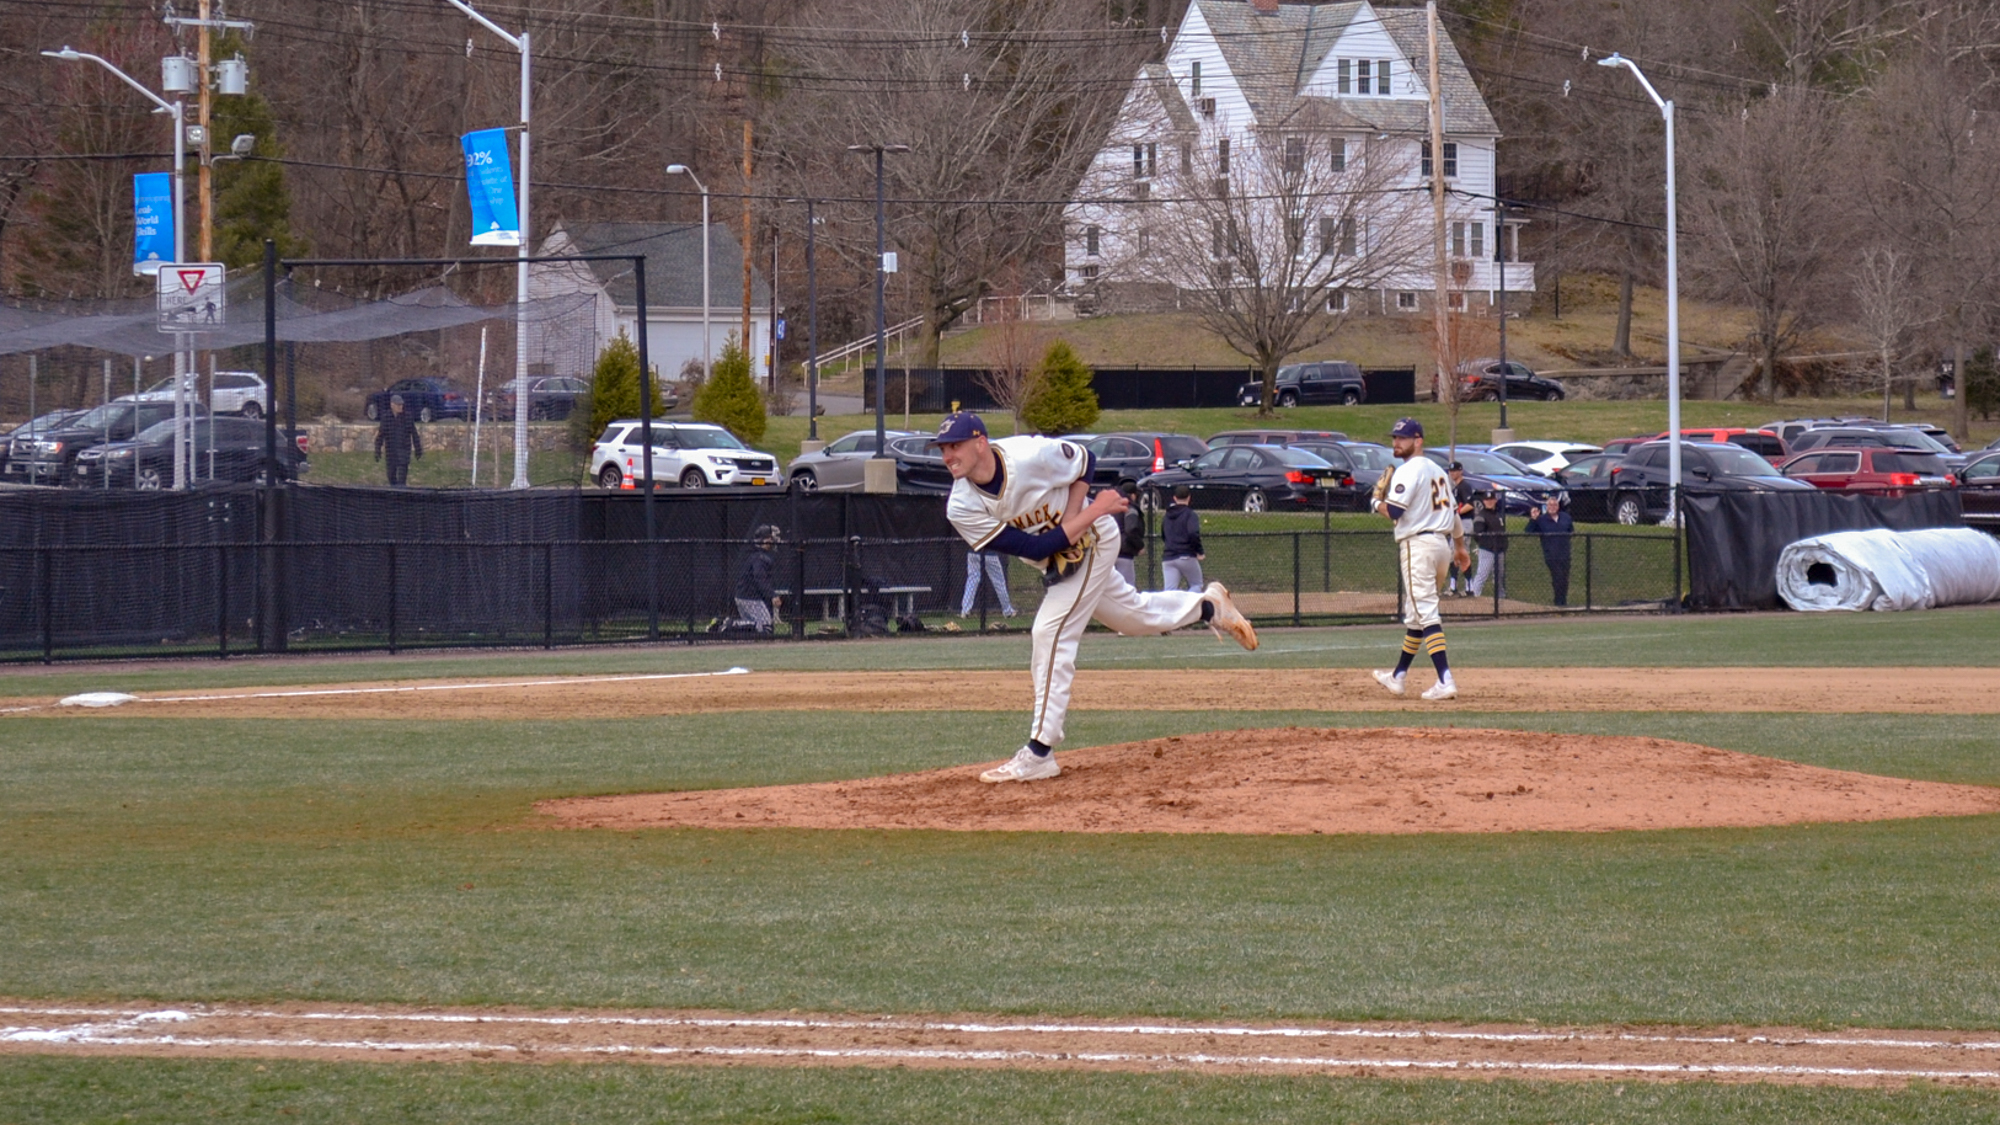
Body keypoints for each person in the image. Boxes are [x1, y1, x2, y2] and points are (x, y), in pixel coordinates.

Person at [933, 412, 1257, 783]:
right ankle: (1208, 607)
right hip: (1062, 552)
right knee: (1132, 617)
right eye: (943, 449)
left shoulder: (1029, 455)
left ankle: (1040, 749)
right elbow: (1032, 547)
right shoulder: (961, 505)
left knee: (1050, 631)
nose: (947, 456)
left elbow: (1085, 459)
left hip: (1096, 538)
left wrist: (1083, 515)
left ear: (980, 442)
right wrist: (1082, 520)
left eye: (955, 446)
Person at [1369, 417, 1471, 701]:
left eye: (1403, 438)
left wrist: (1375, 502)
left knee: (1425, 611)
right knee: (1415, 614)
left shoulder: (1408, 470)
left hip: (1418, 546)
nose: (1396, 443)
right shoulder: (1439, 471)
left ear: (1418, 440)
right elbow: (1453, 515)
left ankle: (1445, 679)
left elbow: (1394, 512)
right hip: (1441, 546)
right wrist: (1460, 548)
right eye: (1395, 438)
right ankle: (1398, 676)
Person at [730, 524, 784, 633]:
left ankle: (726, 627)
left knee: (755, 629)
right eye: (771, 538)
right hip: (750, 597)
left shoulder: (758, 554)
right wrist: (772, 595)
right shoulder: (760, 557)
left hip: (746, 596)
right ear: (765, 540)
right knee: (766, 628)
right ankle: (731, 624)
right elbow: (760, 577)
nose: (773, 540)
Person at [1525, 495, 1575, 607]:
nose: (1552, 507)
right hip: (1551, 555)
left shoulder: (1566, 517)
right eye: (1550, 505)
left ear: (1558, 506)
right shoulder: (1542, 520)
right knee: (1557, 577)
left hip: (1565, 554)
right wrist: (1533, 519)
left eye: (1554, 505)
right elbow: (1528, 532)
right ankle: (1558, 602)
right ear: (1546, 507)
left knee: (1564, 579)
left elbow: (1571, 530)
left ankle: (1563, 601)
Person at [1160, 484, 1205, 591]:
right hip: (1186, 555)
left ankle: (1171, 603)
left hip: (1168, 557)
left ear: (1175, 498)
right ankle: (1188, 601)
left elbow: (1164, 534)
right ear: (1189, 498)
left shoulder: (1167, 516)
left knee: (1169, 591)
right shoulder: (1190, 514)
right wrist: (1199, 551)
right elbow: (1193, 533)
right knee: (1196, 584)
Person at [373, 394, 423, 487]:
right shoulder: (386, 418)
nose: (400, 407)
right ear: (392, 405)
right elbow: (381, 435)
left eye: (401, 405)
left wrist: (418, 449)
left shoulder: (407, 417)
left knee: (401, 478)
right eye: (398, 405)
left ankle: (402, 493)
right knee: (391, 476)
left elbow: (414, 434)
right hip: (391, 452)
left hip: (404, 450)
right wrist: (377, 450)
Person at [1470, 490, 1508, 599]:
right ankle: (1474, 596)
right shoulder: (1481, 515)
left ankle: (1501, 598)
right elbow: (1477, 534)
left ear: (1495, 500)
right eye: (1487, 500)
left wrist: (1504, 545)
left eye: (1491, 499)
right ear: (1483, 501)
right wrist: (1487, 544)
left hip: (1500, 550)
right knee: (1482, 574)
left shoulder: (1498, 515)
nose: (1489, 502)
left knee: (1499, 576)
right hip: (1487, 550)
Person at [960, 548, 1017, 618]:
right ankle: (1008, 611)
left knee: (972, 580)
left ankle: (965, 610)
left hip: (973, 552)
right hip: (990, 554)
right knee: (999, 582)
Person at [1445, 462, 1474, 595]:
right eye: (1451, 471)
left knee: (1461, 552)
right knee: (1454, 553)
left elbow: (1470, 504)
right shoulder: (1455, 488)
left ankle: (1468, 587)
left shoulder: (1464, 486)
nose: (1452, 473)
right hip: (1457, 523)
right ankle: (1454, 586)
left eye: (1455, 471)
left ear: (1461, 471)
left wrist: (1456, 513)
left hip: (1464, 522)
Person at [1113, 480, 1146, 587]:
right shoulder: (1130, 509)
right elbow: (1131, 529)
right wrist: (1139, 546)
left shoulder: (1112, 508)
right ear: (1132, 495)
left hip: (1109, 552)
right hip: (1124, 552)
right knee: (1127, 587)